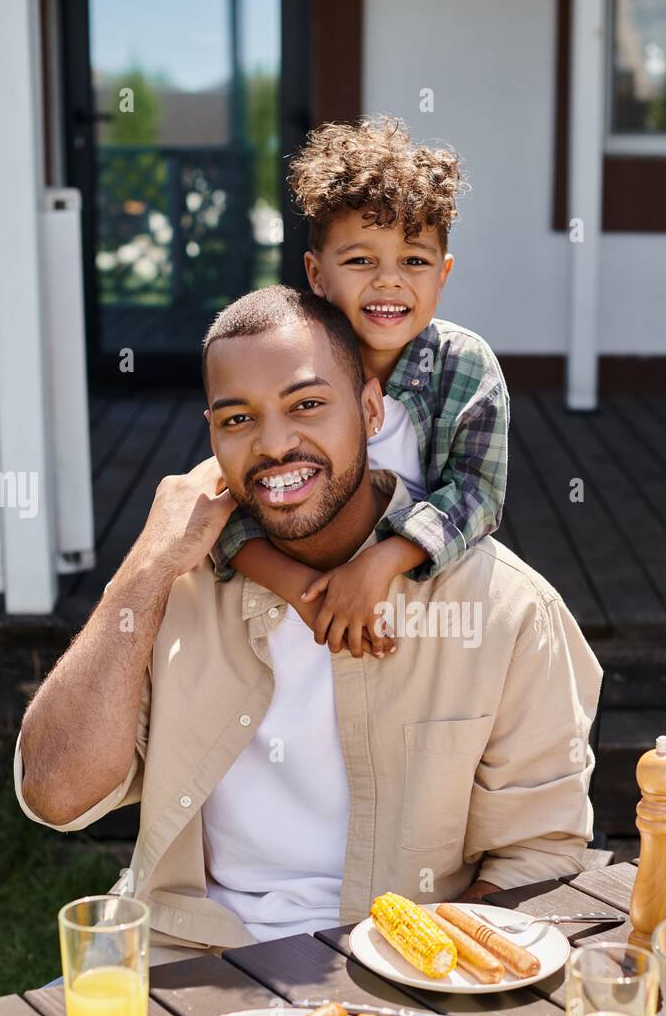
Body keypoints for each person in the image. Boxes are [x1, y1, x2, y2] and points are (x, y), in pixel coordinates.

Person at [3, 287, 602, 1016]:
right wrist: (147, 566)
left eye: (305, 404)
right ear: (209, 438)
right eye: (237, 420)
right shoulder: (184, 586)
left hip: (389, 990)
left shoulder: (500, 607)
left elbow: (540, 855)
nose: (272, 445)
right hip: (190, 967)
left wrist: (439, 996)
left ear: (372, 410)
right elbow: (55, 792)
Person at [213, 116, 508, 660]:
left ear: (442, 276)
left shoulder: (463, 366)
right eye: (360, 260)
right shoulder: (283, 360)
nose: (388, 280)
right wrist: (306, 593)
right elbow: (224, 508)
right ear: (317, 274)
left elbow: (478, 496)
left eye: (414, 261)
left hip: (423, 604)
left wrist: (379, 563)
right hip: (294, 604)